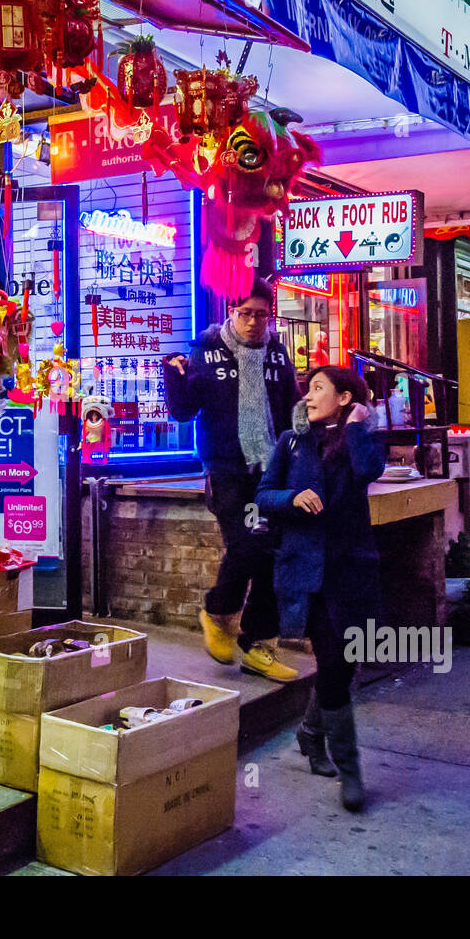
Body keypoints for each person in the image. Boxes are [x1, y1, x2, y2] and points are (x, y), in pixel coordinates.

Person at [256, 366, 385, 811]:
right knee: (332, 659)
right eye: (307, 389)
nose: (307, 397)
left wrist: (355, 429)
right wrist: (291, 499)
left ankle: (311, 733)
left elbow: (370, 469)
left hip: (352, 569)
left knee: (344, 665)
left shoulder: (360, 439)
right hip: (307, 572)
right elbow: (263, 495)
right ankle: (350, 771)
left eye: (318, 389)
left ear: (345, 397)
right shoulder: (291, 443)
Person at [164, 279, 302, 681]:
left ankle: (260, 645)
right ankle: (218, 611)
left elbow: (291, 406)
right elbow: (183, 411)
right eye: (246, 313)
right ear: (231, 312)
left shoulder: (277, 353)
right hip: (227, 470)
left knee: (273, 555)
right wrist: (173, 375)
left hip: (274, 469)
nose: (254, 322)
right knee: (247, 549)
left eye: (262, 314)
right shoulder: (204, 351)